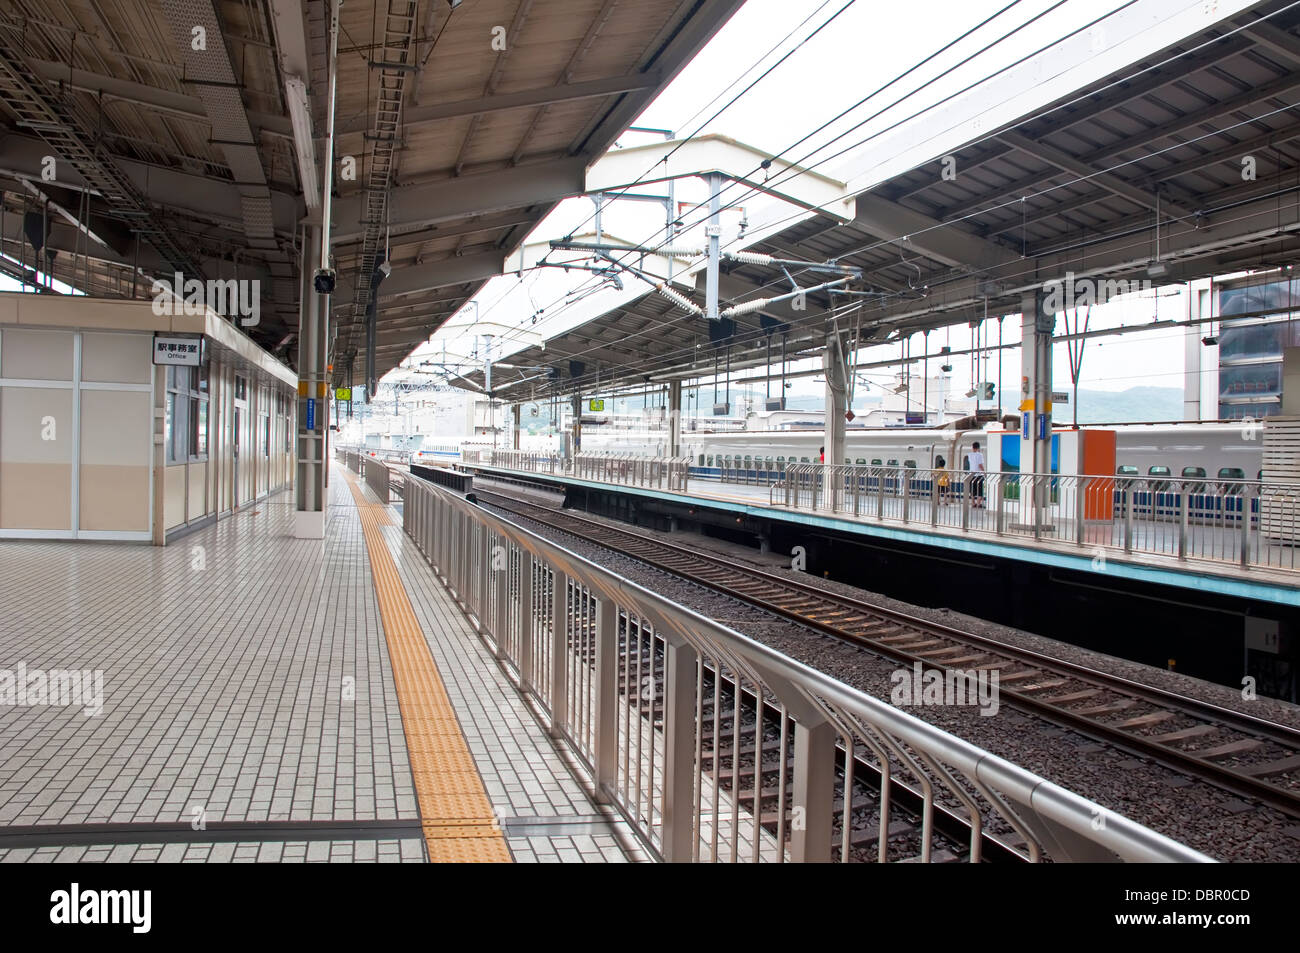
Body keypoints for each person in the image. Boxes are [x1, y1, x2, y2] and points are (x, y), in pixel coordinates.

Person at [968, 441, 986, 508]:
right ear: (978, 447)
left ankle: (973, 503)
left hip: (971, 474)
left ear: (972, 447)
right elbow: (980, 465)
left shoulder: (969, 454)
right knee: (980, 491)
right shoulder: (980, 455)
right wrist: (984, 473)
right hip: (979, 475)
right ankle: (978, 503)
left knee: (973, 490)